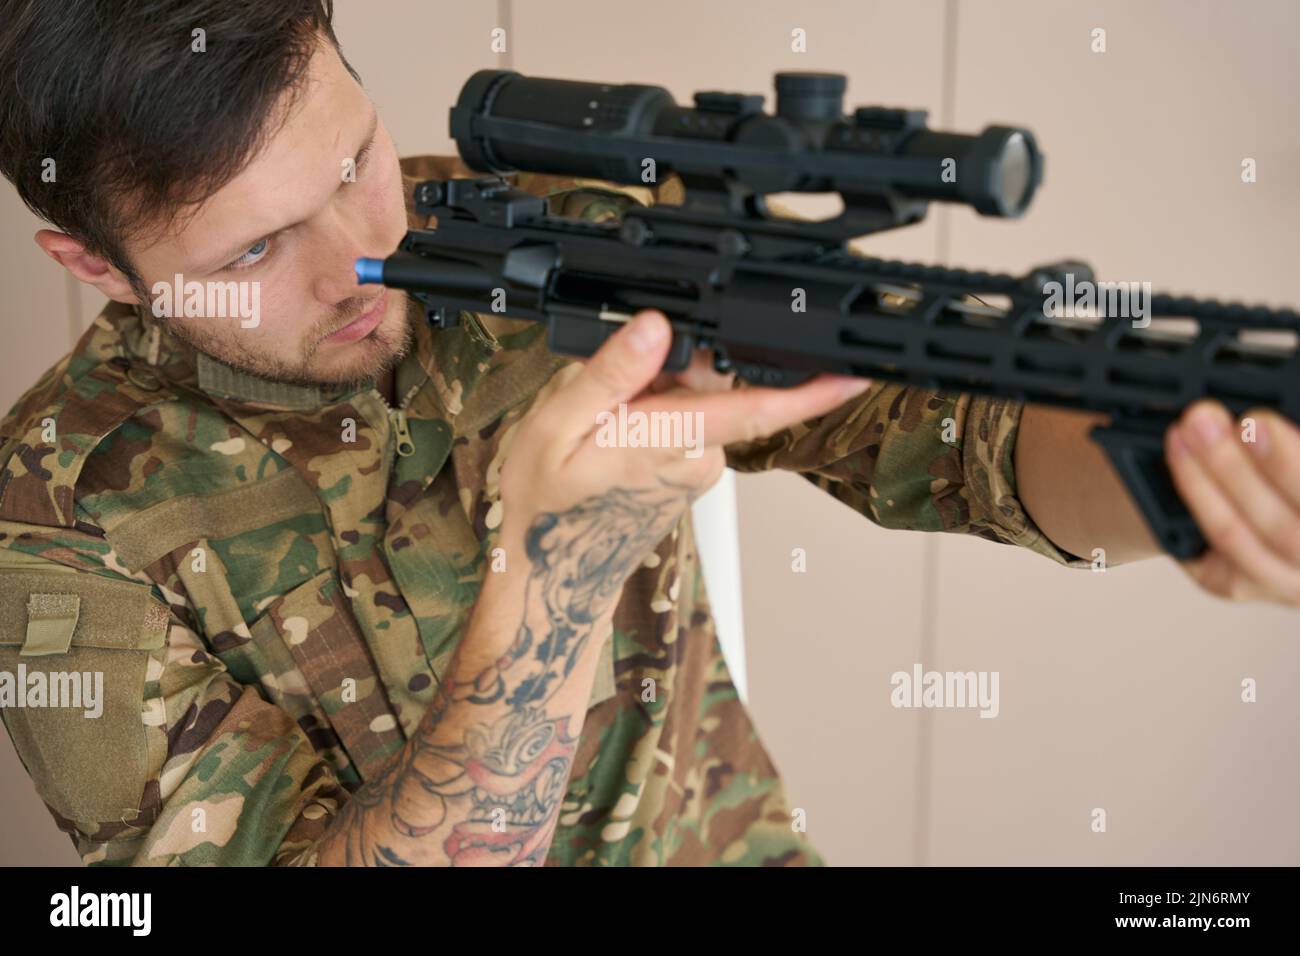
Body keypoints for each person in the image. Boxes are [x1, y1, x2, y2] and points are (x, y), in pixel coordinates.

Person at [0, 0, 1296, 867]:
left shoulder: (563, 235)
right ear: (94, 262)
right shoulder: (48, 517)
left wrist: (1186, 480)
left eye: (352, 162)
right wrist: (547, 592)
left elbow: (943, 416)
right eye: (260, 245)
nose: (361, 259)